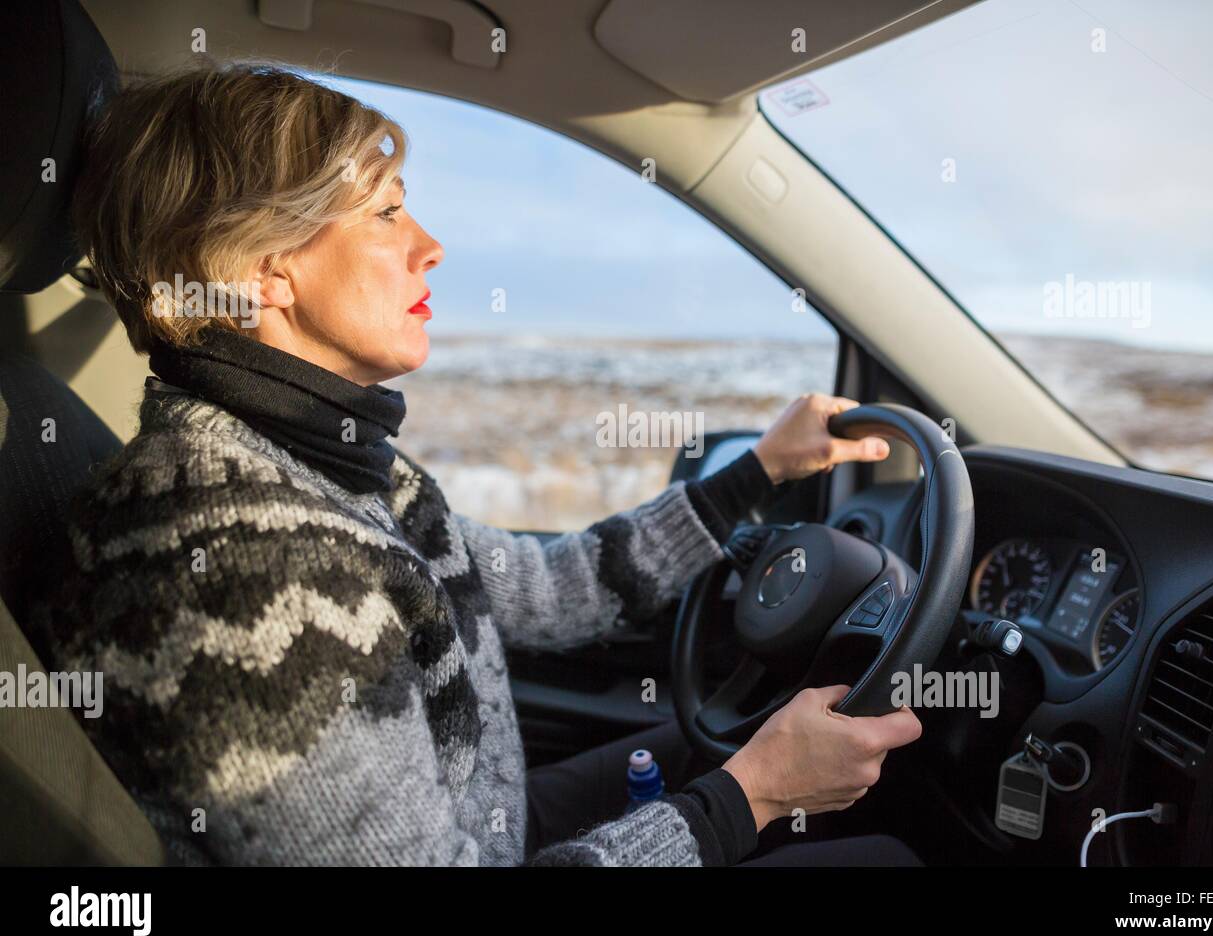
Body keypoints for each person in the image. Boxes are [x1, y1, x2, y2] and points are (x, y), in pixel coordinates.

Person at [28, 62, 923, 866]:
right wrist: (753, 798)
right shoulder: (249, 574)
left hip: (483, 833)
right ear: (265, 268)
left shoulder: (323, 464)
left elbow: (545, 587)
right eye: (385, 212)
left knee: (734, 745)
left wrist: (758, 470)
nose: (431, 245)